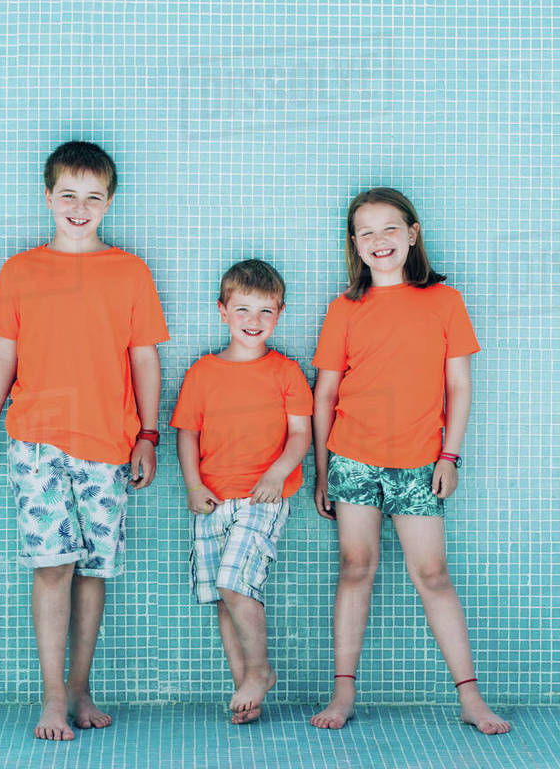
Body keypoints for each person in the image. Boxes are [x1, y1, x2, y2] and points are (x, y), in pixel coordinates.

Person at [0, 141, 169, 741]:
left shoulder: (129, 271)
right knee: (52, 566)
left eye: (93, 197)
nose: (79, 208)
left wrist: (148, 435)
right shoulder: (21, 270)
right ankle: (53, 696)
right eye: (68, 196)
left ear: (109, 202)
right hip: (35, 441)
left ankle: (81, 686)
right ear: (48, 197)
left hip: (108, 442)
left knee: (91, 571)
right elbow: (4, 354)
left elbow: (145, 359)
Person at [308, 188, 510, 735]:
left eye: (389, 229)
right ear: (354, 245)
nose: (379, 241)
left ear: (413, 234)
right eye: (366, 232)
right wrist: (324, 471)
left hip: (422, 460)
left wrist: (450, 455)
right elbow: (325, 394)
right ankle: (343, 692)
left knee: (434, 574)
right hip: (352, 458)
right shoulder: (344, 308)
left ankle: (470, 698)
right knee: (356, 569)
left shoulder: (445, 301)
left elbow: (459, 388)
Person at [171, 259, 312, 724]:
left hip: (262, 498)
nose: (254, 322)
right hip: (211, 499)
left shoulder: (286, 372)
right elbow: (187, 433)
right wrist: (193, 485)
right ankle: (246, 690)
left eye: (266, 312)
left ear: (280, 314)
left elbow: (300, 435)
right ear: (223, 311)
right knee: (220, 596)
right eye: (244, 310)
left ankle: (259, 672)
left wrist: (278, 473)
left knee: (236, 582)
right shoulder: (202, 372)